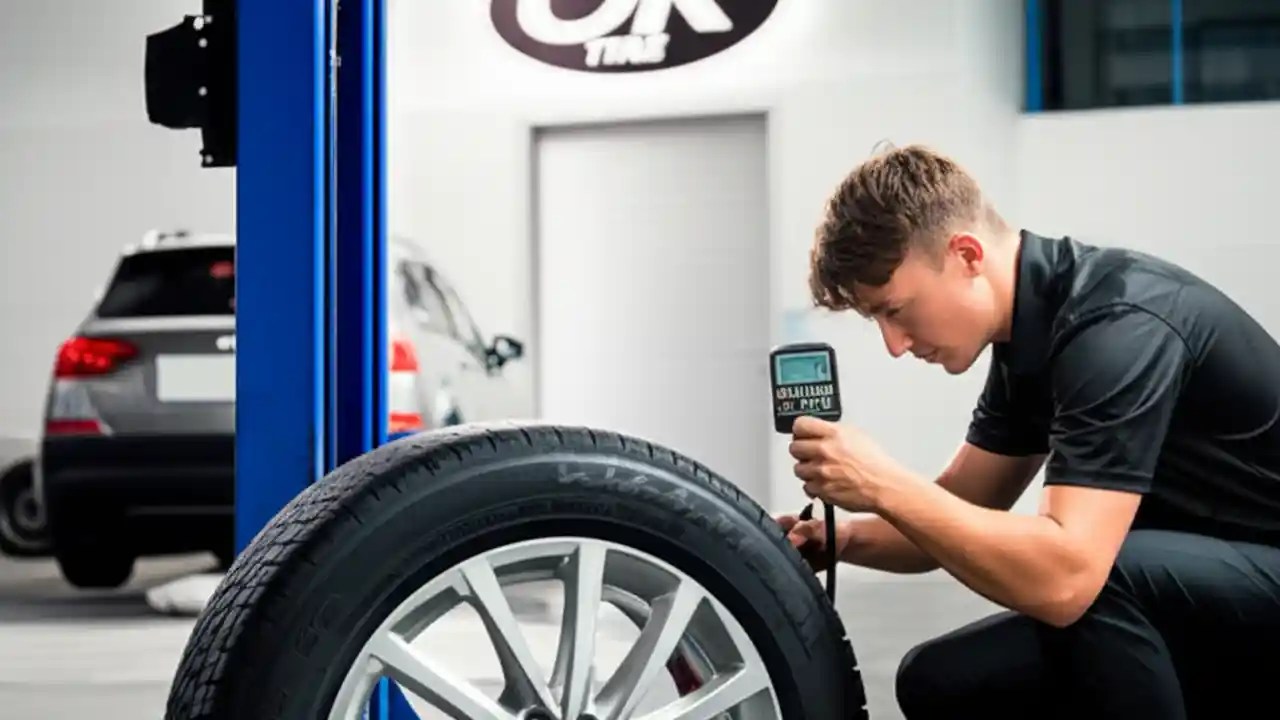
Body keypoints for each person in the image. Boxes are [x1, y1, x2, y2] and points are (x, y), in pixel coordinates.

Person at [777, 143, 1280, 719]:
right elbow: (956, 508)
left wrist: (883, 480)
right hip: (1205, 588)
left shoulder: (1116, 327)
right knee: (940, 681)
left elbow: (1066, 579)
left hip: (1260, 578)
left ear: (966, 254)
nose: (895, 345)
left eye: (896, 310)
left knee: (1096, 575)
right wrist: (841, 540)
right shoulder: (1030, 339)